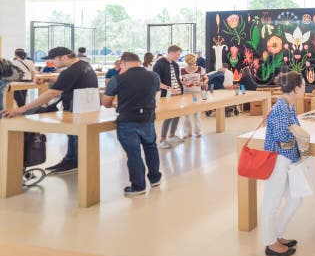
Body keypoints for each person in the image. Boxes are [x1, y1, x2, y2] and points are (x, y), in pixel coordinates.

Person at [2, 47, 98, 175]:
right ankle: (72, 160)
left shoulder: (70, 72)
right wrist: (48, 79)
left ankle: (73, 161)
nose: (52, 63)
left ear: (64, 57)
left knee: (74, 135)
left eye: (53, 60)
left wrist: (22, 109)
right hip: (86, 108)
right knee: (73, 135)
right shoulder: (84, 65)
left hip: (75, 108)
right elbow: (69, 81)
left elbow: (52, 93)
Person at [101, 52, 161, 196]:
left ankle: (138, 186)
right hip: (148, 118)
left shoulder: (118, 79)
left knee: (134, 153)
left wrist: (116, 104)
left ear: (123, 63)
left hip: (128, 120)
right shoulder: (154, 76)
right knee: (151, 147)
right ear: (139, 62)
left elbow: (105, 102)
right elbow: (154, 95)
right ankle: (155, 179)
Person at [261, 71, 306, 256]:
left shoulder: (289, 106)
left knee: (297, 197)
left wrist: (298, 134)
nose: (304, 89)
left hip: (289, 159)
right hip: (278, 160)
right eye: (303, 86)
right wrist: (300, 136)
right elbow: (283, 139)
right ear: (296, 89)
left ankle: (277, 235)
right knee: (271, 203)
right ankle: (270, 243)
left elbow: (294, 130)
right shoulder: (280, 108)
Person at [152, 45, 183, 147]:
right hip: (166, 95)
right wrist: (170, 89)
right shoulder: (159, 64)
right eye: (178, 54)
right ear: (171, 52)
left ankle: (172, 135)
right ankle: (162, 139)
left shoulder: (175, 64)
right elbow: (157, 82)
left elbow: (177, 79)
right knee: (168, 116)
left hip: (178, 94)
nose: (178, 56)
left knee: (177, 114)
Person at [180, 53, 205, 138]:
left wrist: (201, 83)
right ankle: (188, 132)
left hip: (196, 93)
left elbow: (205, 78)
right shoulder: (182, 70)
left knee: (196, 113)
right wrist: (185, 83)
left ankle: (198, 132)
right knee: (186, 113)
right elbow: (180, 80)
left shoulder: (200, 69)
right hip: (186, 93)